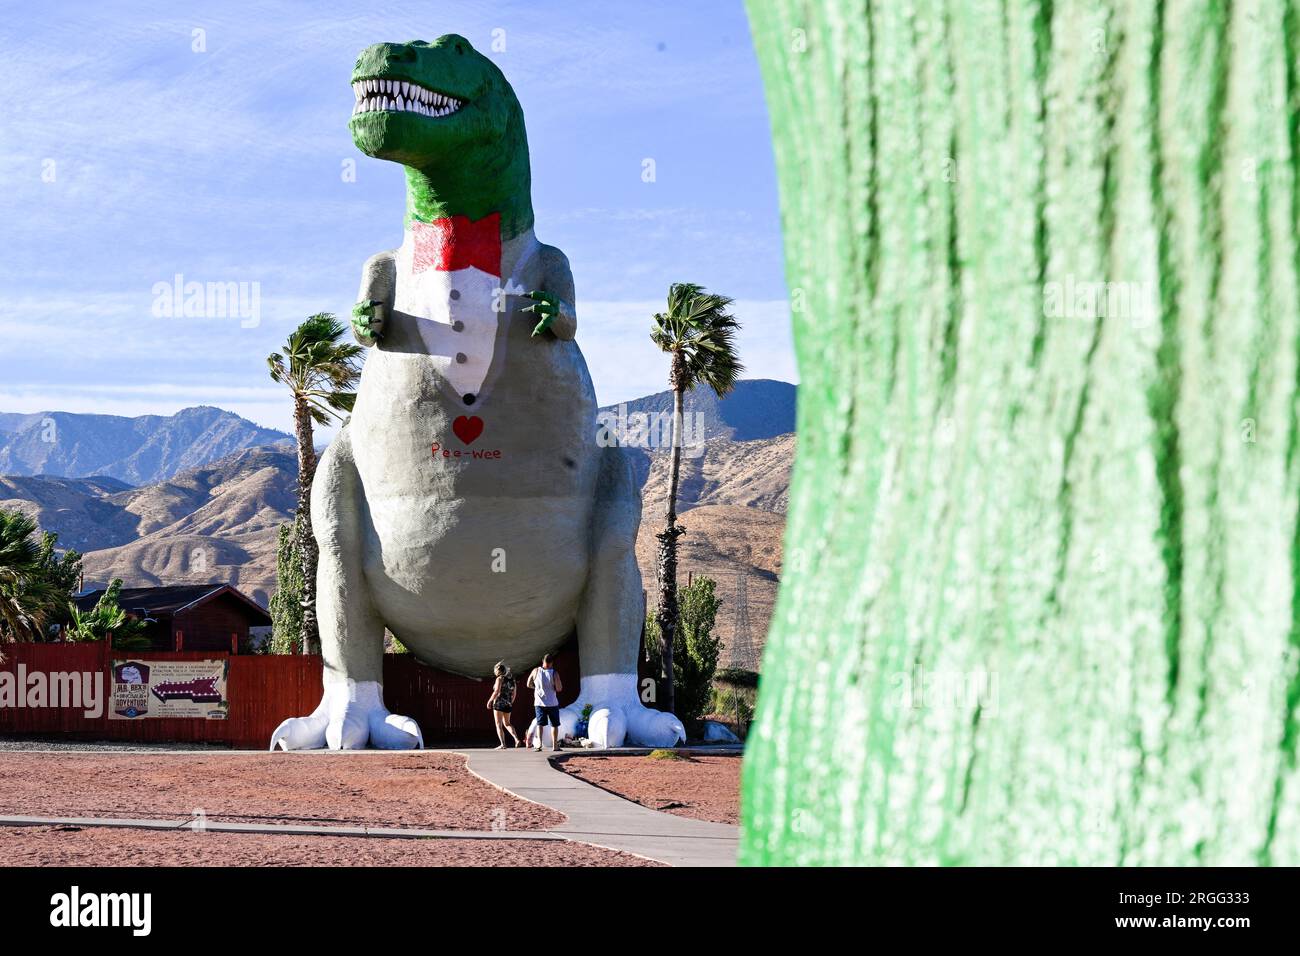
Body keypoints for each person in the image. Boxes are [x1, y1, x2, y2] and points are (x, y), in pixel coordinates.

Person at [527, 653, 563, 752]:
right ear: (552, 662)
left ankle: (539, 746)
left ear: (542, 660)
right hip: (552, 703)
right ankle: (555, 746)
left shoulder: (535, 671)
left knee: (540, 724)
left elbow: (528, 684)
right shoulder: (554, 673)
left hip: (539, 703)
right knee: (554, 725)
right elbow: (559, 689)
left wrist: (537, 689)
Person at [487, 661, 522, 750]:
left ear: (498, 671)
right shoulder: (512, 679)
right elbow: (514, 693)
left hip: (498, 703)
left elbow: (497, 691)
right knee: (507, 723)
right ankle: (516, 739)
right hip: (508, 703)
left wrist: (490, 701)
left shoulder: (499, 679)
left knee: (499, 725)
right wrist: (510, 702)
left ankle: (503, 744)